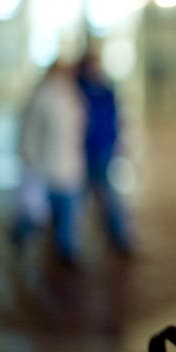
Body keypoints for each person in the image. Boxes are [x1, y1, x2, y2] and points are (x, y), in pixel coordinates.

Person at [11, 60, 85, 266]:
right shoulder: (43, 96)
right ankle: (22, 235)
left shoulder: (72, 95)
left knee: (66, 216)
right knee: (38, 212)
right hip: (47, 167)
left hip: (68, 166)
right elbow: (29, 131)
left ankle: (66, 250)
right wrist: (30, 159)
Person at [76, 47, 134, 255]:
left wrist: (118, 143)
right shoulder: (79, 90)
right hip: (82, 153)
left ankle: (120, 238)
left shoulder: (106, 91)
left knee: (108, 197)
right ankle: (69, 243)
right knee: (77, 200)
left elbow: (115, 120)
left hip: (102, 151)